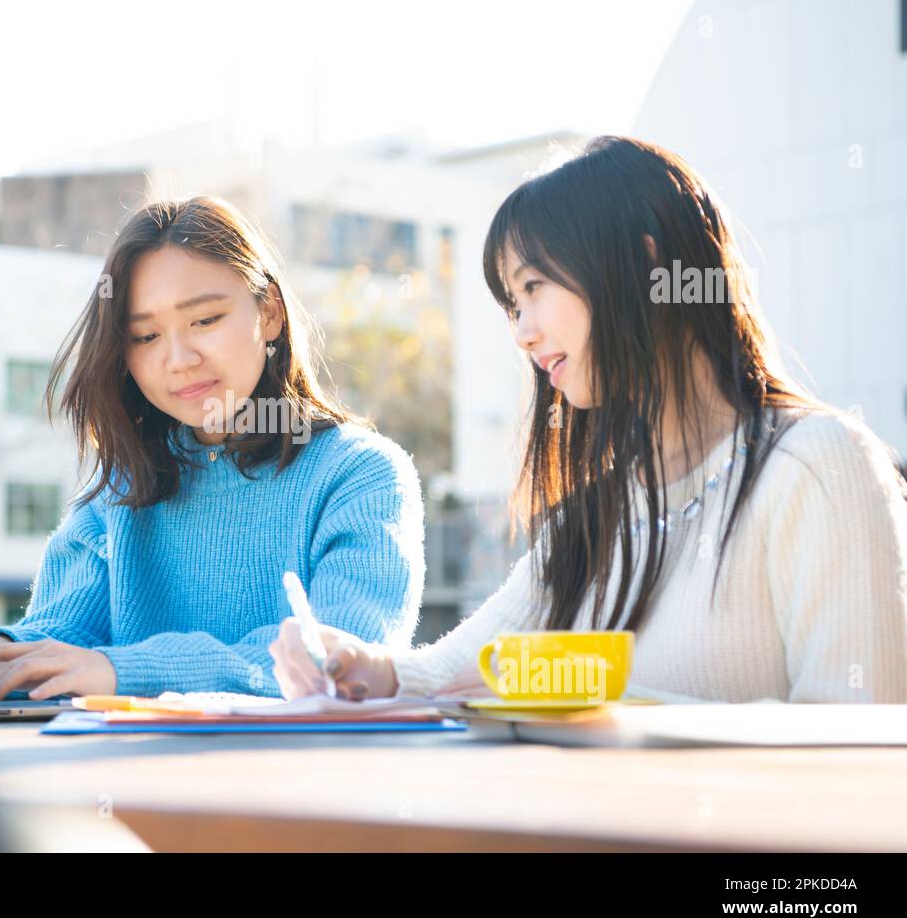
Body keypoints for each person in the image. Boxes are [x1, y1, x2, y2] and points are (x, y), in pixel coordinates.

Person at [272, 135, 907, 705]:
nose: (523, 332)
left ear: (648, 265)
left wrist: (630, 714)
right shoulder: (594, 515)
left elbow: (860, 742)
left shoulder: (818, 464)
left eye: (535, 286)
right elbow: (466, 668)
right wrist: (361, 668)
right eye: (511, 304)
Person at [0, 195, 424, 701]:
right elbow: (63, 635)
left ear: (268, 312)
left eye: (204, 321)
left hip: (296, 778)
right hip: (131, 776)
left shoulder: (361, 474)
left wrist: (123, 670)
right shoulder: (119, 493)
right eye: (147, 335)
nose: (178, 359)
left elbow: (336, 662)